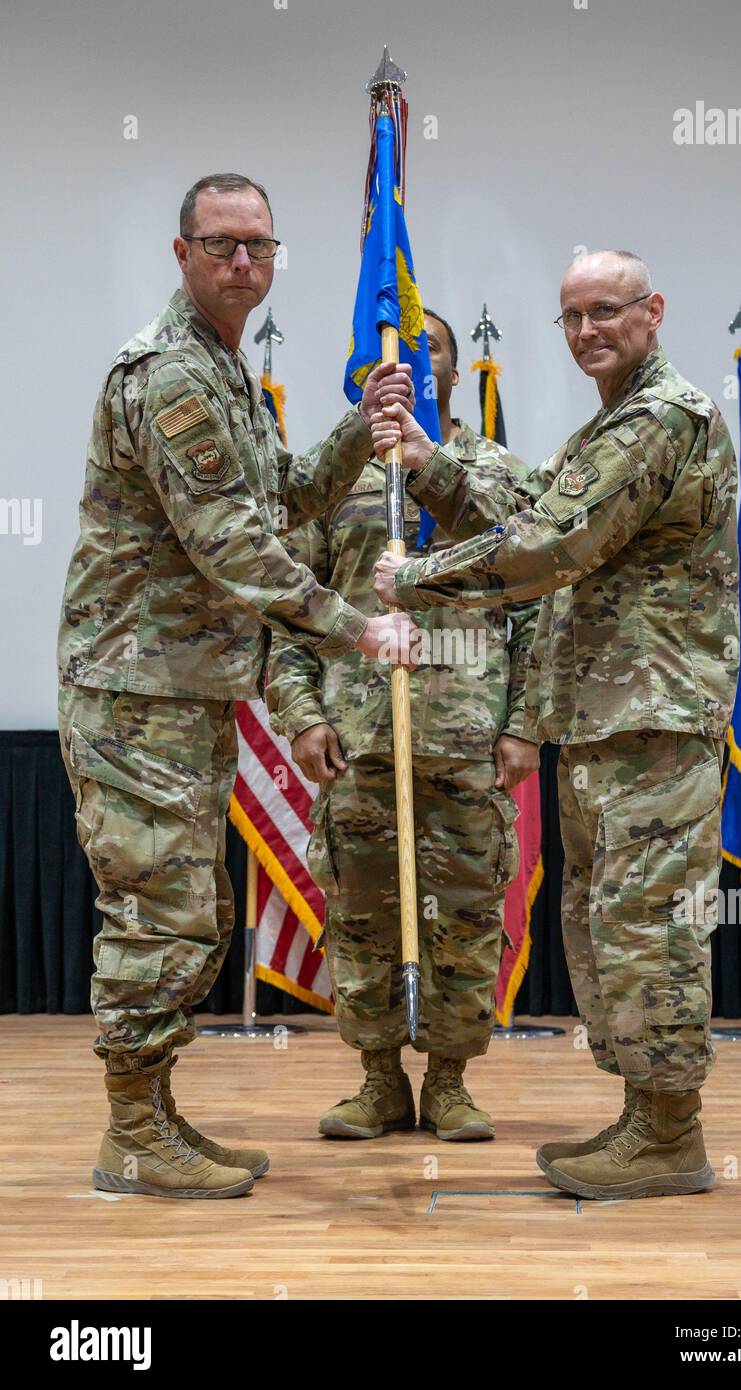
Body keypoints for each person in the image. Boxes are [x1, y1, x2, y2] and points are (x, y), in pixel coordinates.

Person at [57, 172, 417, 1199]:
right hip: (137, 696)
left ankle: (157, 1118)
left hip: (181, 691)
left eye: (260, 244)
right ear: (183, 254)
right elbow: (236, 550)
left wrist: (360, 423)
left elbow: (286, 498)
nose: (244, 263)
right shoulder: (171, 374)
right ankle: (130, 1134)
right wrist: (357, 628)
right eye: (221, 245)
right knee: (158, 916)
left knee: (189, 909)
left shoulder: (225, 373)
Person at [371, 251, 740, 1199]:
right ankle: (644, 1119)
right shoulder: (610, 424)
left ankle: (670, 1135)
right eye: (570, 318)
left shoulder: (663, 417)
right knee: (604, 923)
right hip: (609, 721)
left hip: (652, 722)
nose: (586, 333)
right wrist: (434, 467)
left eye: (606, 312)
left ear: (652, 311)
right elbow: (532, 510)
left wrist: (414, 580)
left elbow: (552, 545)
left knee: (646, 927)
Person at [267, 309, 540, 1141]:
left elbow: (538, 607)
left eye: (430, 352)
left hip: (467, 740)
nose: (413, 364)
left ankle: (450, 1082)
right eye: (397, 355)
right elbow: (287, 609)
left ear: (454, 374)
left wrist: (525, 723)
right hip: (360, 738)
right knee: (362, 916)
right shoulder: (332, 481)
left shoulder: (496, 477)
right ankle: (379, 1080)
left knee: (463, 920)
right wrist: (302, 714)